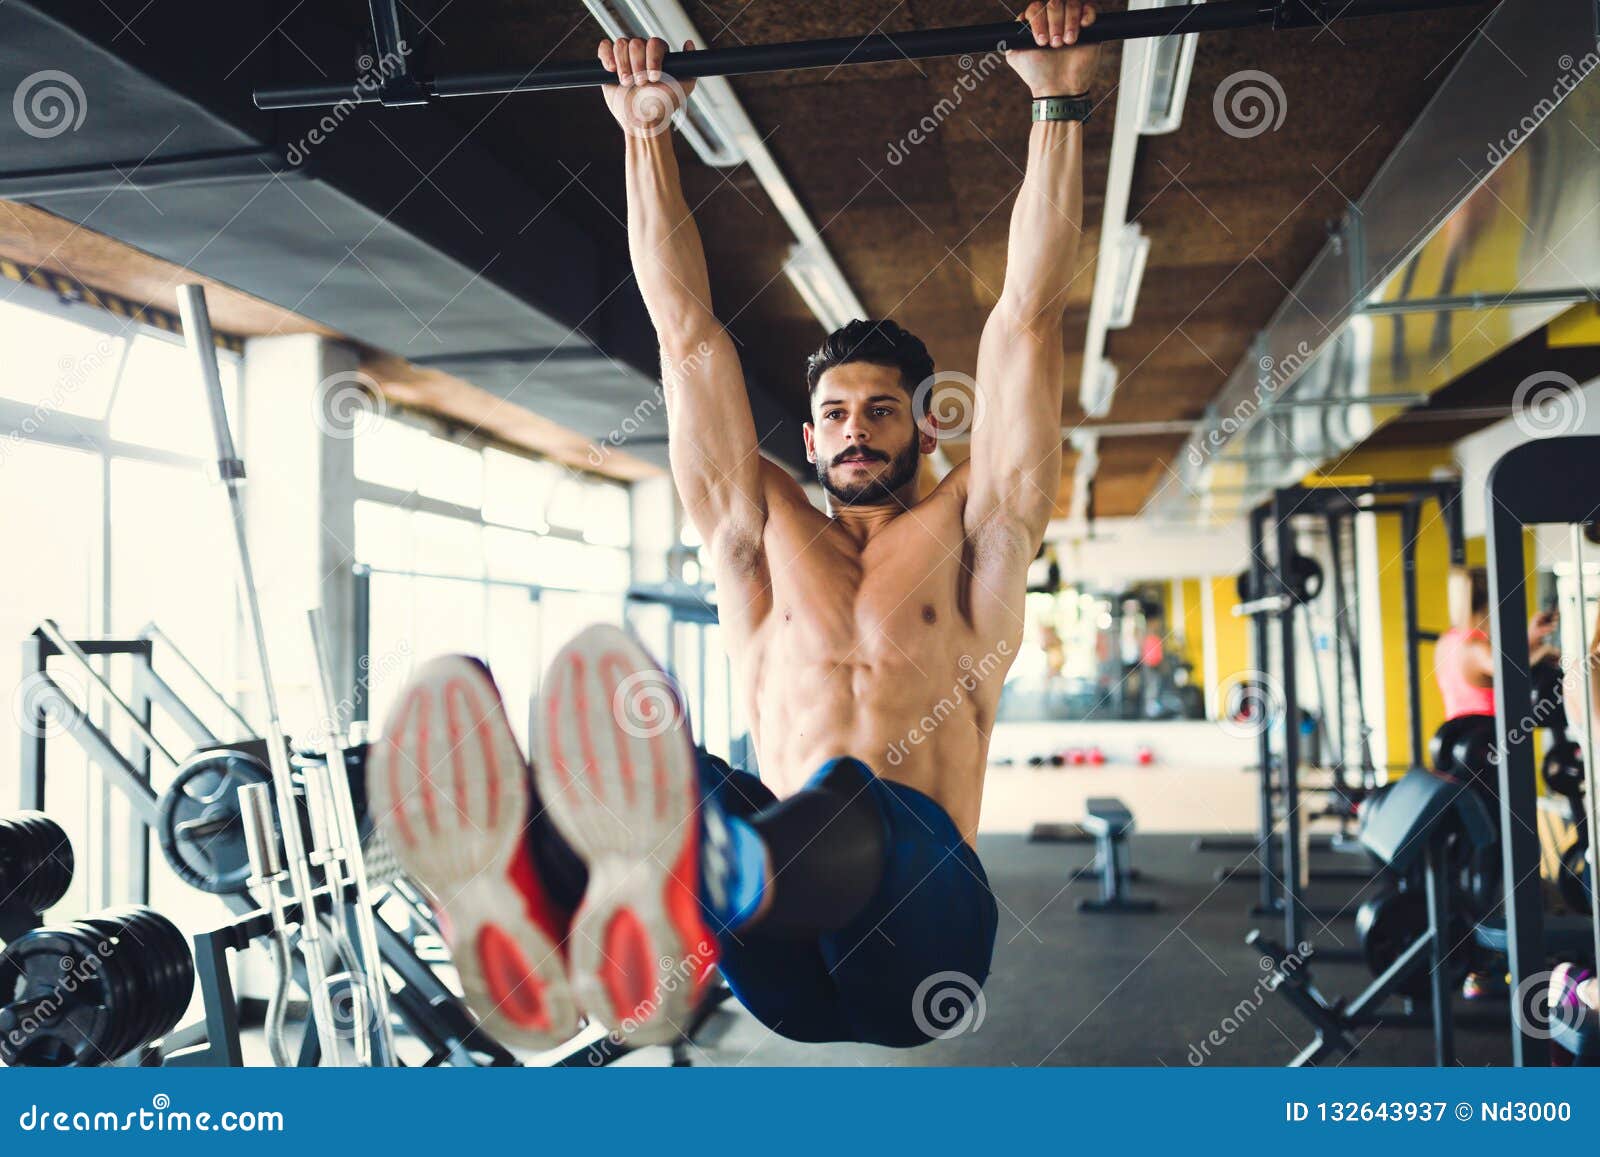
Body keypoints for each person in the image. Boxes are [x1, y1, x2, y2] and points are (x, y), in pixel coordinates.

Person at [370, 1, 1101, 1051]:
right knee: (678, 763)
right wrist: (645, 131)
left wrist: (1057, 103)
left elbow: (1026, 315)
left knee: (848, 791)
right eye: (837, 415)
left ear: (926, 430)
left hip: (919, 943)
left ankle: (703, 863)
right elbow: (687, 335)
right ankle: (549, 882)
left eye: (881, 410)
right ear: (807, 436)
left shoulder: (978, 530)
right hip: (774, 961)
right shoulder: (758, 531)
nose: (857, 431)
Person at [1433, 564, 1558, 1000]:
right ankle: (1492, 960)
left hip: (1465, 756)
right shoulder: (1474, 646)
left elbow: (1499, 659)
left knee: (1488, 850)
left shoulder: (1451, 641)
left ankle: (1490, 956)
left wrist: (1532, 637)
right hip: (1488, 758)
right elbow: (1507, 666)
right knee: (1501, 853)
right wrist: (1548, 654)